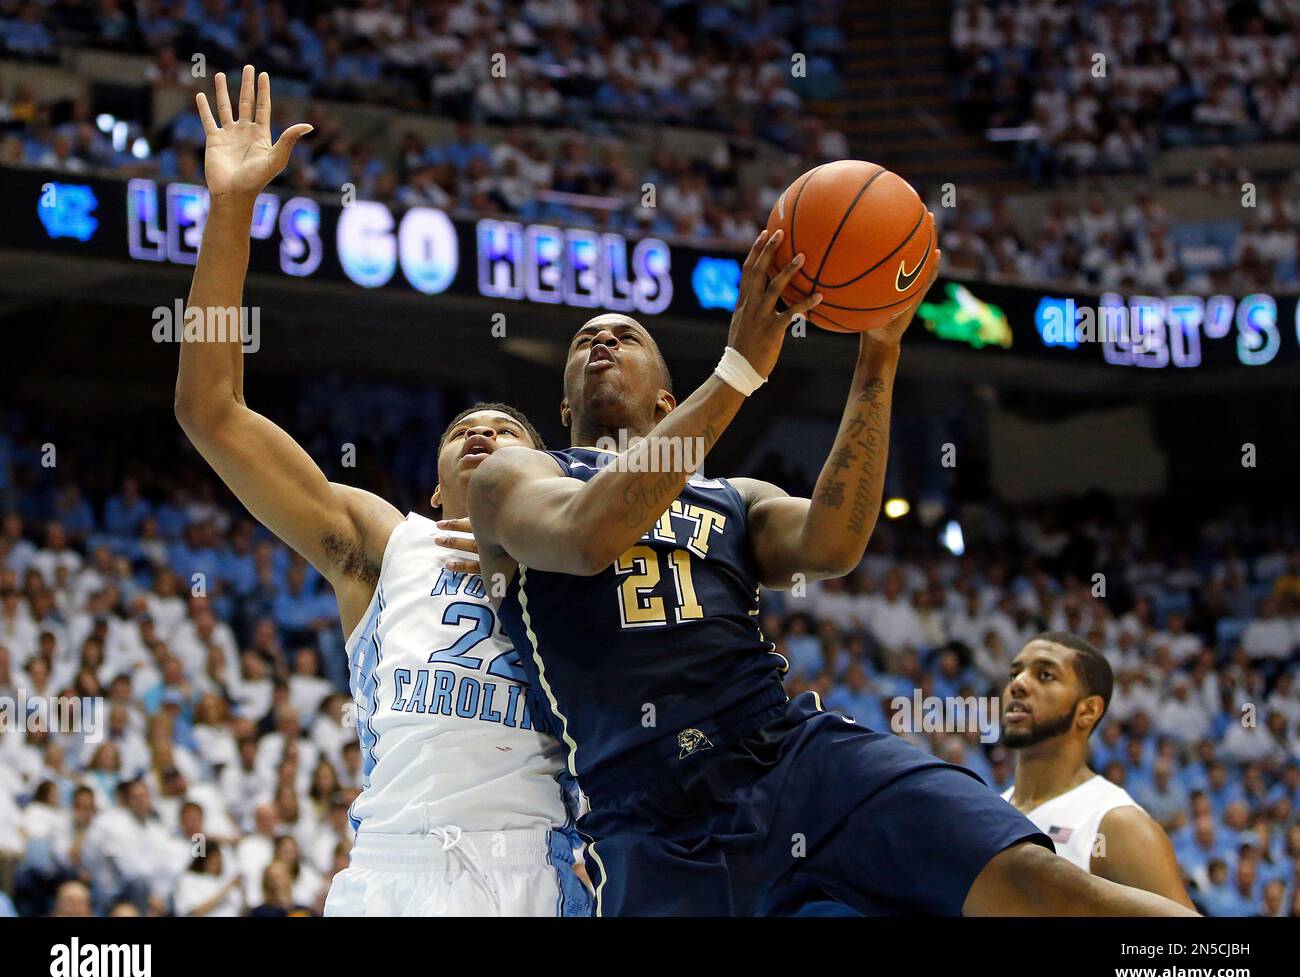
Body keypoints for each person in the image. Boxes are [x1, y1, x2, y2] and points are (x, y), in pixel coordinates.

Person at [469, 228, 1196, 917]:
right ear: (562, 405)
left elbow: (834, 541)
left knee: (1031, 881)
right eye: (585, 338)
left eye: (626, 336)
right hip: (646, 807)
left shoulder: (732, 497)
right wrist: (738, 370)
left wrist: (878, 354)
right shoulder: (513, 476)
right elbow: (587, 537)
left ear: (667, 403)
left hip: (786, 752)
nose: (603, 339)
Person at [175, 65, 586, 917]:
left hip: (540, 870)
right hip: (392, 869)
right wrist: (230, 211)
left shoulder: (585, 560)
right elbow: (211, 413)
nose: (483, 435)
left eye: (510, 433)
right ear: (435, 492)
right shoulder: (387, 541)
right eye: (463, 431)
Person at [1000, 632, 1195, 908]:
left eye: (1045, 675)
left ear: (1088, 711)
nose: (1018, 685)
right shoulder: (994, 809)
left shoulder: (1118, 825)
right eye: (1014, 674)